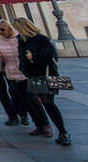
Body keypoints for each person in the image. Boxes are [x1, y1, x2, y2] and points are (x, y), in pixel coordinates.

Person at [13, 16, 71, 146]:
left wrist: (34, 57)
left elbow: (51, 57)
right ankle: (44, 126)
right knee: (33, 100)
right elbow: (22, 59)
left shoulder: (41, 39)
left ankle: (62, 131)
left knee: (48, 102)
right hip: (33, 76)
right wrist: (25, 69)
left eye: (17, 28)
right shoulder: (21, 41)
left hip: (46, 75)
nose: (16, 31)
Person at [0, 20, 33, 127]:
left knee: (31, 99)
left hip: (25, 71)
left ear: (9, 27)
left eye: (2, 29)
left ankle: (41, 123)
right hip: (11, 72)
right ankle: (23, 116)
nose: (0, 32)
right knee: (16, 96)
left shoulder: (19, 38)